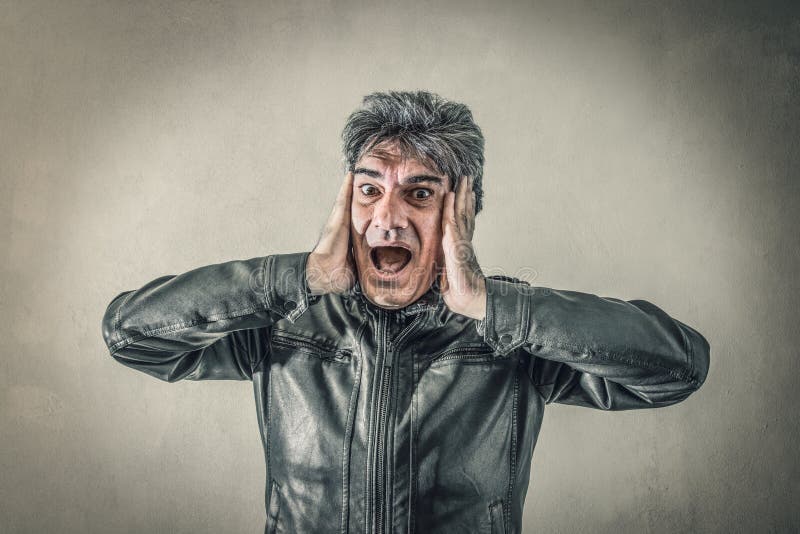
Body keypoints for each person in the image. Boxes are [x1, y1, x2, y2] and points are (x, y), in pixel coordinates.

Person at [101, 90, 710, 534]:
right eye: (369, 189)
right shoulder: (289, 322)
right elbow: (129, 334)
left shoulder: (507, 333)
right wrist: (300, 276)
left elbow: (678, 368)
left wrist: (495, 306)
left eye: (419, 193)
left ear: (461, 214)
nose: (387, 217)